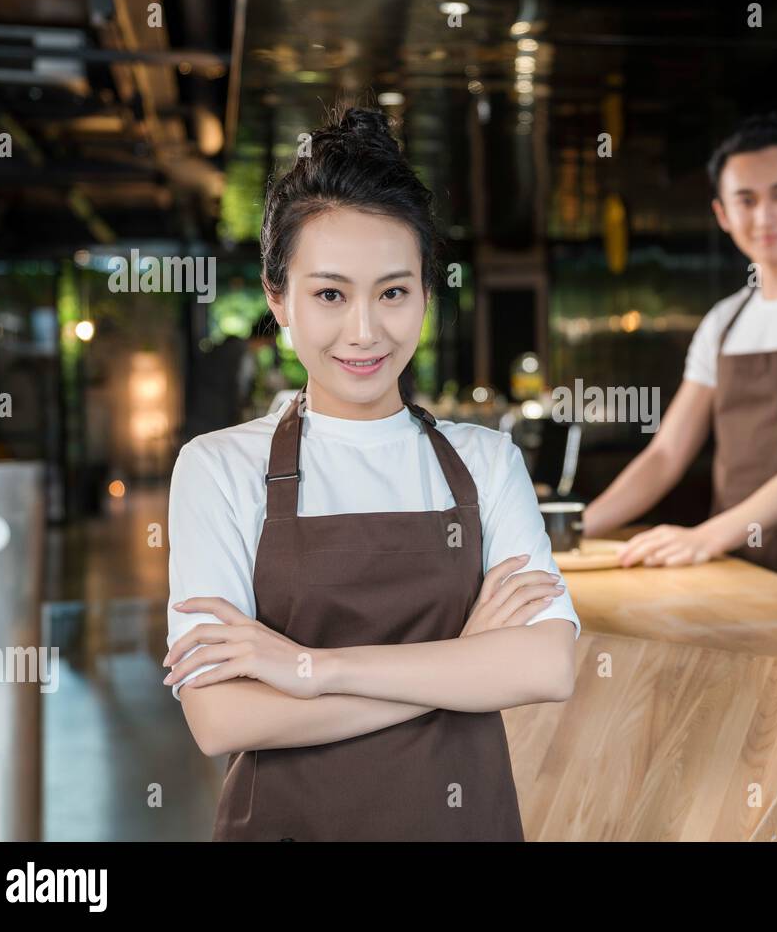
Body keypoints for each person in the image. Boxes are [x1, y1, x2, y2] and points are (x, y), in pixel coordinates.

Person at [162, 105, 579, 841]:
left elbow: (546, 667)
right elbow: (221, 716)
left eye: (393, 292)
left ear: (425, 291)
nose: (365, 330)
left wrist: (307, 668)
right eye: (330, 294)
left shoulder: (485, 462)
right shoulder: (218, 468)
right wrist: (460, 666)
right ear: (277, 298)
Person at [583, 114, 777, 576]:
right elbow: (666, 455)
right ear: (723, 215)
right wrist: (577, 528)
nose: (764, 217)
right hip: (737, 562)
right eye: (746, 200)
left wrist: (703, 537)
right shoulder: (724, 321)